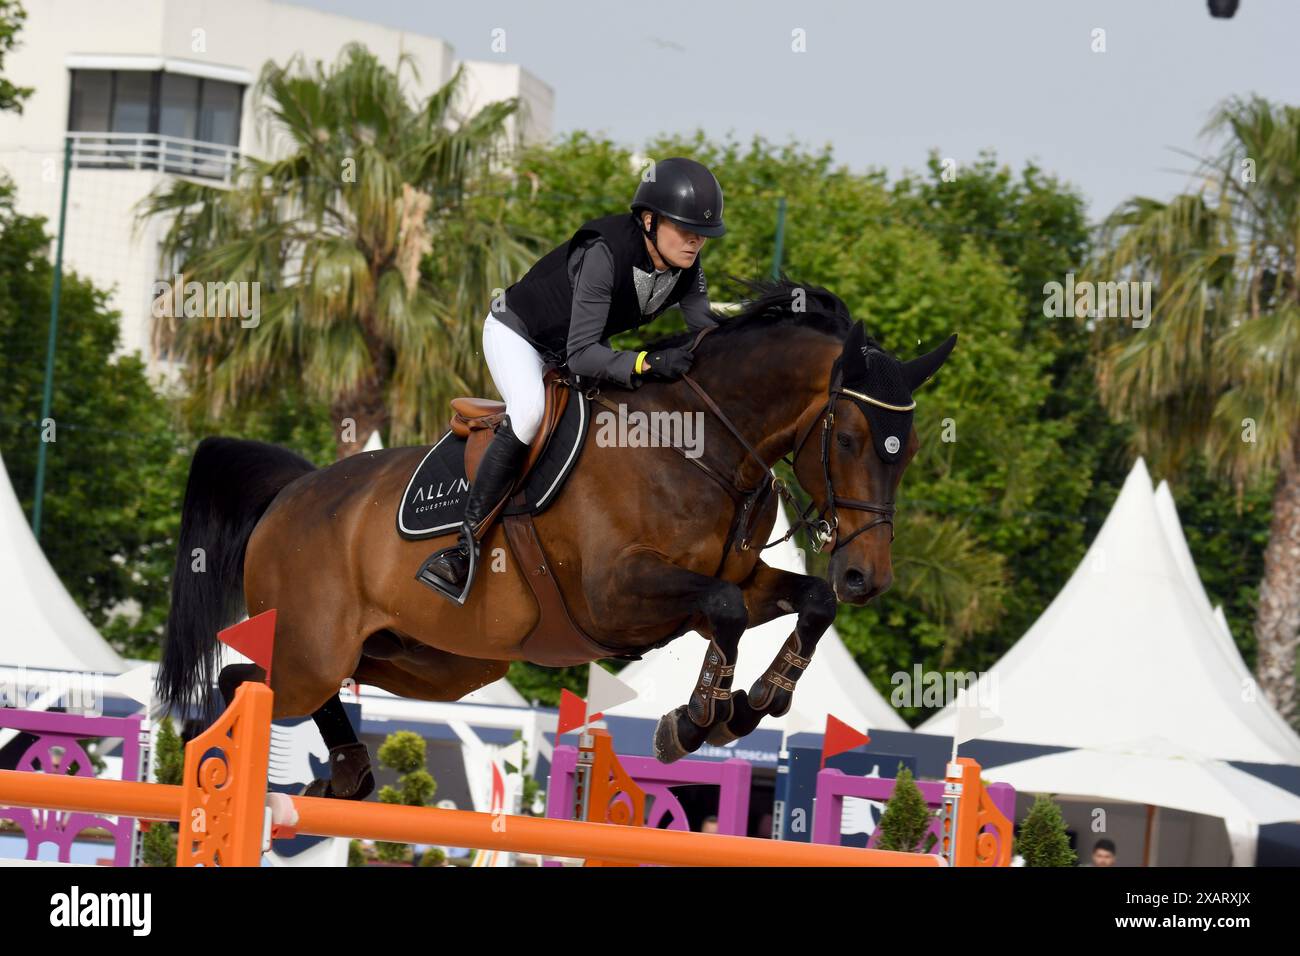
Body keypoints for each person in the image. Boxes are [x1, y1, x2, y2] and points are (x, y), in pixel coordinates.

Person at [419, 157, 726, 603]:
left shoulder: (687, 269)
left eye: (703, 234)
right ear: (648, 220)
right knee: (528, 415)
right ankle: (463, 547)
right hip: (519, 335)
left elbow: (706, 332)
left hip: (569, 353)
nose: (696, 240)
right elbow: (583, 355)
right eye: (685, 229)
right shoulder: (604, 253)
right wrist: (643, 363)